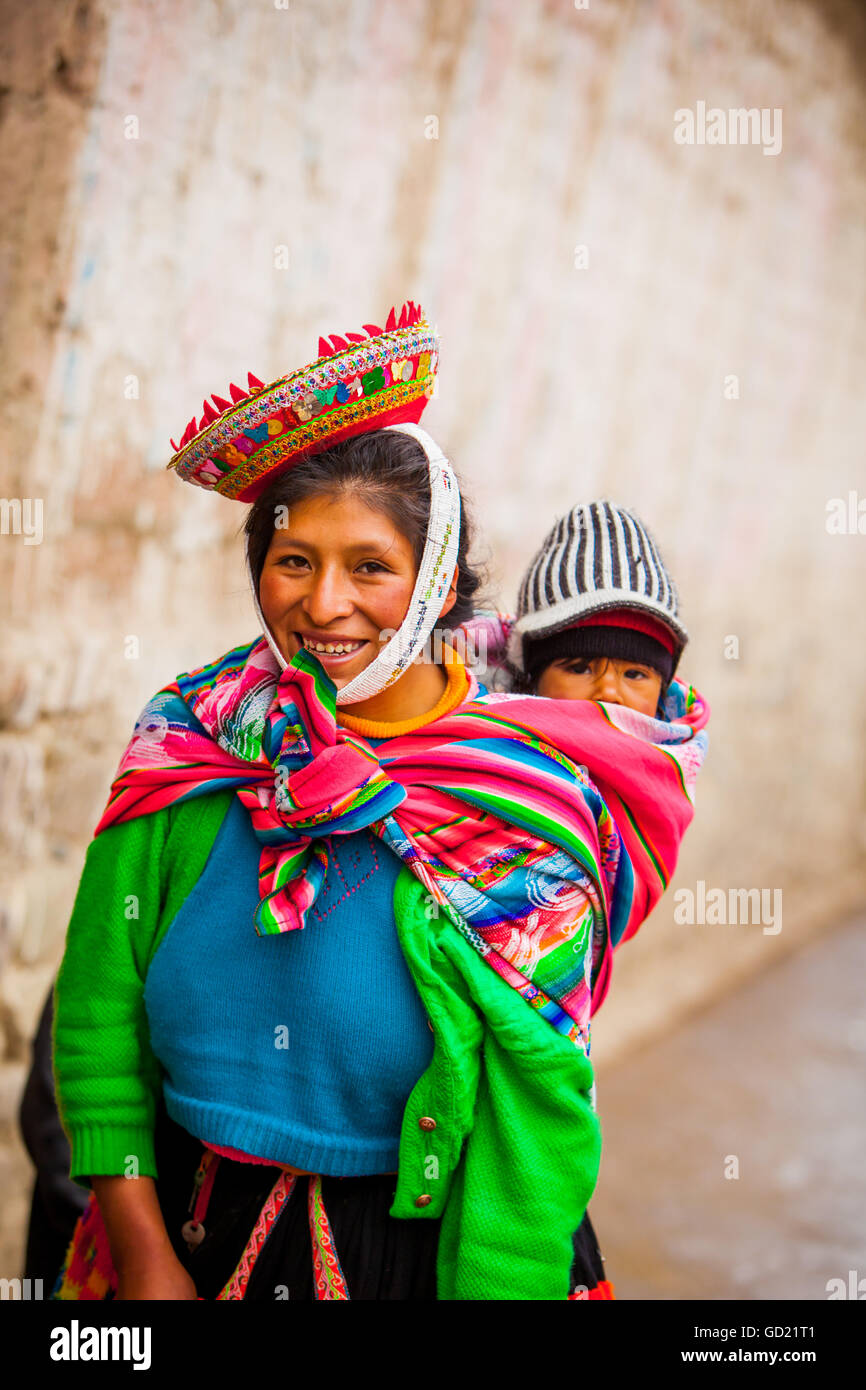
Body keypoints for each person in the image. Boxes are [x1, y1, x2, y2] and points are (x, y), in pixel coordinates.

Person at [50, 304, 707, 1301]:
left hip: (413, 1248)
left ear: (437, 580)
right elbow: (99, 1008)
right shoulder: (190, 739)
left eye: (369, 566)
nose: (323, 605)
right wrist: (141, 1252)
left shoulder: (521, 802)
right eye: (292, 561)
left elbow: (534, 1113)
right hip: (180, 1225)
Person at [469, 499, 711, 1295]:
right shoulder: (470, 758)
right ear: (532, 673)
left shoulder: (654, 784)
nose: (608, 691)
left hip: (554, 1044)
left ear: (665, 688)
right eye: (579, 666)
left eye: (636, 671)